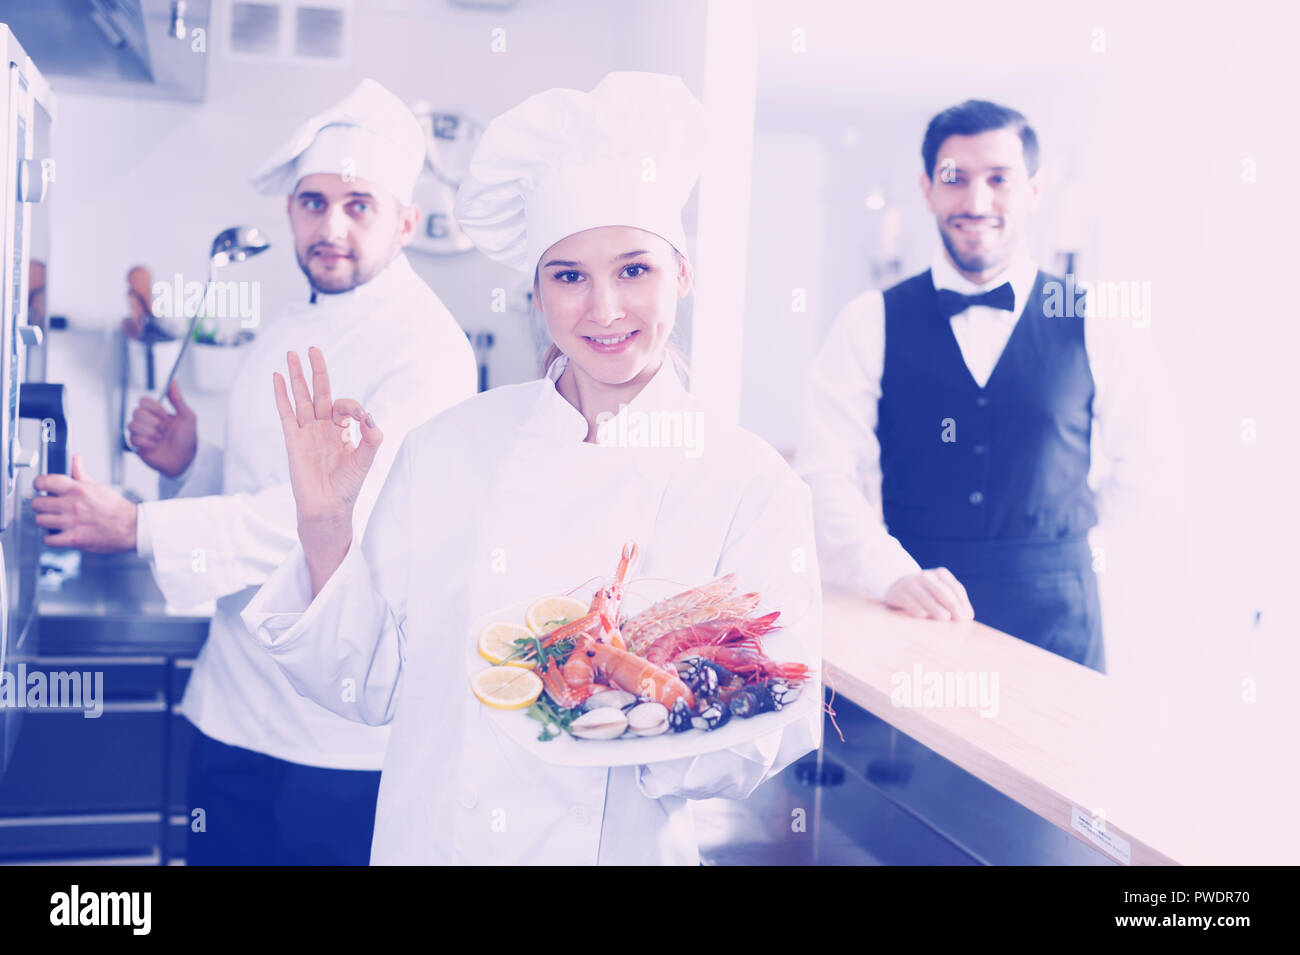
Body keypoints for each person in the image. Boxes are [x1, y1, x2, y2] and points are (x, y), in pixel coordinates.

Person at [240, 72, 822, 865]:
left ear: (682, 273)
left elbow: (776, 717)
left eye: (635, 269)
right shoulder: (444, 448)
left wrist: (638, 708)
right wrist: (323, 523)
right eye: (569, 276)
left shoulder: (750, 482)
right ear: (537, 294)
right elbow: (362, 685)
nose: (605, 309)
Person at [31, 79, 478, 864]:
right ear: (290, 212)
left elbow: (333, 519)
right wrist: (189, 462)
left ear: (405, 222)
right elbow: (259, 488)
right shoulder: (289, 324)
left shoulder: (430, 353)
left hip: (342, 741)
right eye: (313, 202)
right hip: (232, 708)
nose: (330, 226)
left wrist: (139, 525)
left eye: (357, 204)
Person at [795, 99, 1176, 672]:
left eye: (999, 179)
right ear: (927, 189)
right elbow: (822, 475)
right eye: (956, 179)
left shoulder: (1099, 318)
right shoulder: (868, 320)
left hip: (1060, 630)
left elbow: (1151, 467)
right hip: (912, 621)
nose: (977, 202)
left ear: (1033, 190)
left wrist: (1065, 549)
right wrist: (888, 572)